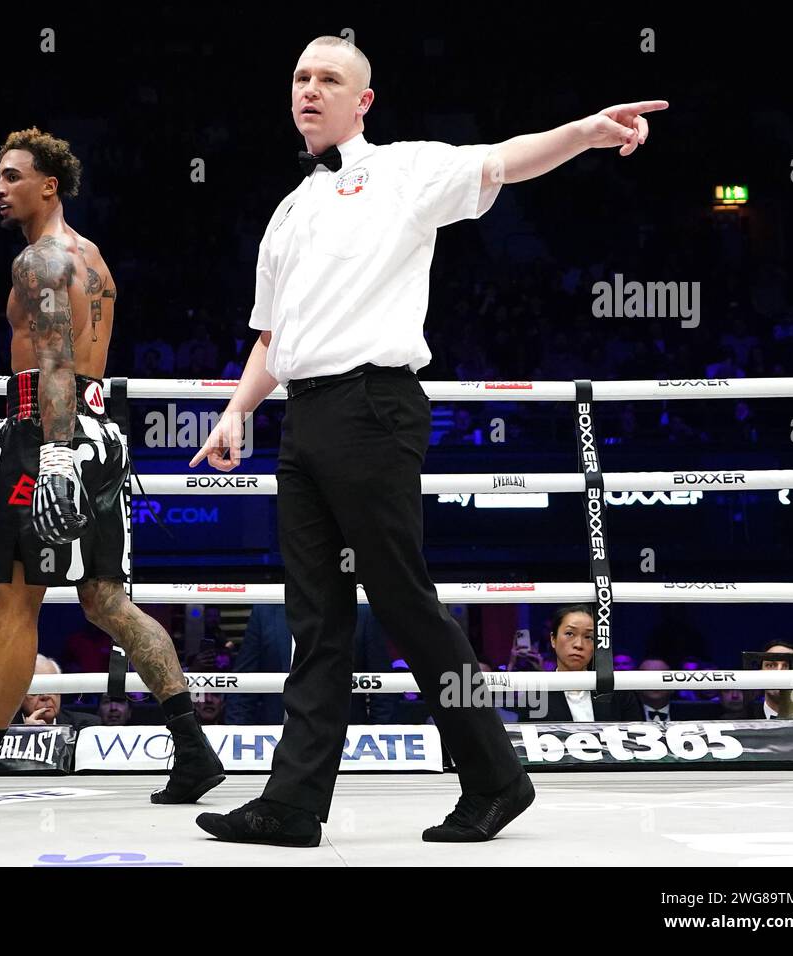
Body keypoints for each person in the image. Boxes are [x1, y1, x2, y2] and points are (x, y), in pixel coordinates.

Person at [191, 35, 665, 846]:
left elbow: (502, 162)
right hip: (302, 418)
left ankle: (494, 777)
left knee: (405, 603)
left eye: (329, 79)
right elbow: (273, 335)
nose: (310, 89)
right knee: (316, 618)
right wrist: (238, 409)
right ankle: (294, 802)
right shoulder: (289, 209)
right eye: (301, 77)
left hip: (374, 407)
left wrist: (584, 132)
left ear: (362, 101)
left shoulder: (404, 170)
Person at [0, 128, 224, 810]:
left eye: (11, 177)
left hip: (56, 436)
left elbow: (57, 362)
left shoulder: (40, 261)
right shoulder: (92, 259)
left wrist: (51, 453)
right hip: (97, 433)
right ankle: (193, 750)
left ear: (49, 185)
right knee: (106, 601)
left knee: (14, 605)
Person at [530, 605, 640, 722]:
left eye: (589, 637)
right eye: (569, 634)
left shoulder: (620, 693)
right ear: (553, 639)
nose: (579, 644)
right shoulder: (535, 698)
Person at [18, 655, 101, 730]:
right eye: (35, 689)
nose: (45, 696)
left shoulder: (87, 726)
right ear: (20, 696)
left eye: (52, 687)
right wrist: (26, 734)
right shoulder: (7, 731)